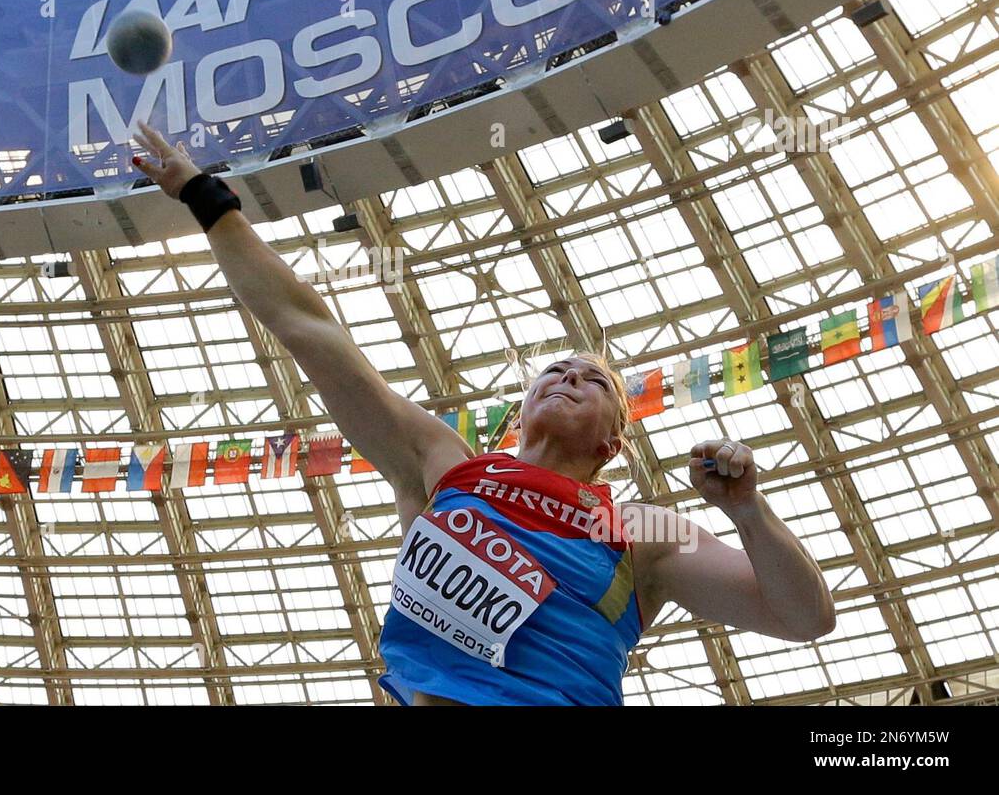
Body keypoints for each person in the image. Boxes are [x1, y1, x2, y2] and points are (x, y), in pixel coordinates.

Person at [131, 120, 836, 706]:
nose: (567, 376)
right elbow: (312, 331)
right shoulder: (444, 468)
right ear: (519, 413)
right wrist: (206, 197)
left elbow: (805, 618)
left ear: (615, 441)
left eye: (593, 380)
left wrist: (747, 509)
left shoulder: (641, 530)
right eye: (553, 372)